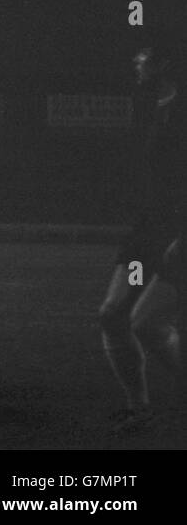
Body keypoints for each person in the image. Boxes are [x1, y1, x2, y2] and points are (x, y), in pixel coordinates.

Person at [100, 44, 183, 433]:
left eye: (143, 56)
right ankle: (139, 406)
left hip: (176, 229)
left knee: (148, 324)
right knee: (112, 314)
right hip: (148, 227)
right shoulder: (154, 105)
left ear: (165, 62)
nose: (136, 61)